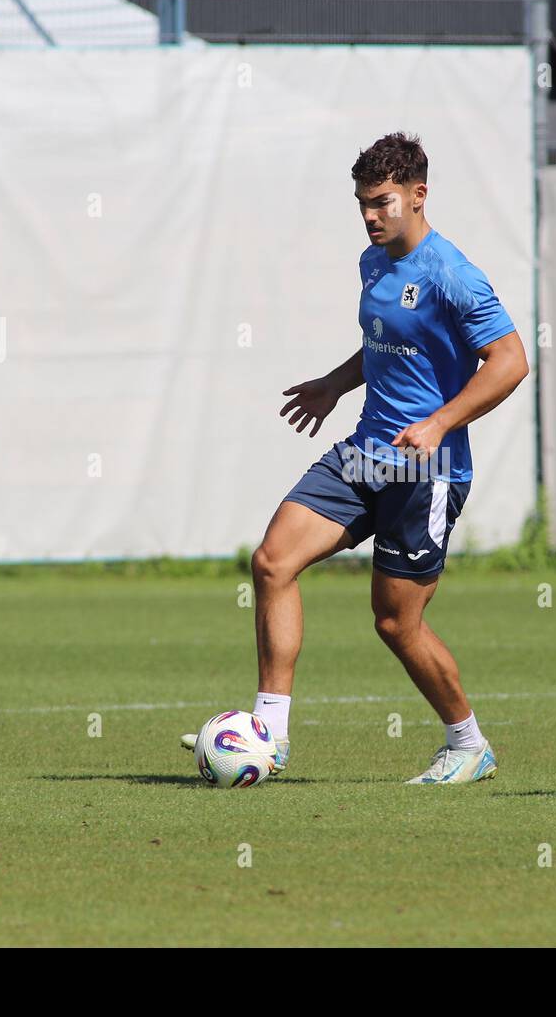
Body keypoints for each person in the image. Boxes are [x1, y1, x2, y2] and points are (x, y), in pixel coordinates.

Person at [184, 132, 528, 784]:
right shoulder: (372, 263)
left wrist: (439, 422)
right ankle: (271, 732)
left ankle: (468, 745)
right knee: (273, 561)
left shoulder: (453, 274)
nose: (370, 216)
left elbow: (511, 361)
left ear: (419, 195)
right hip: (366, 454)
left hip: (425, 472)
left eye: (382, 202)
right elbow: (383, 346)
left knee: (396, 624)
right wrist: (333, 385)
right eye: (362, 204)